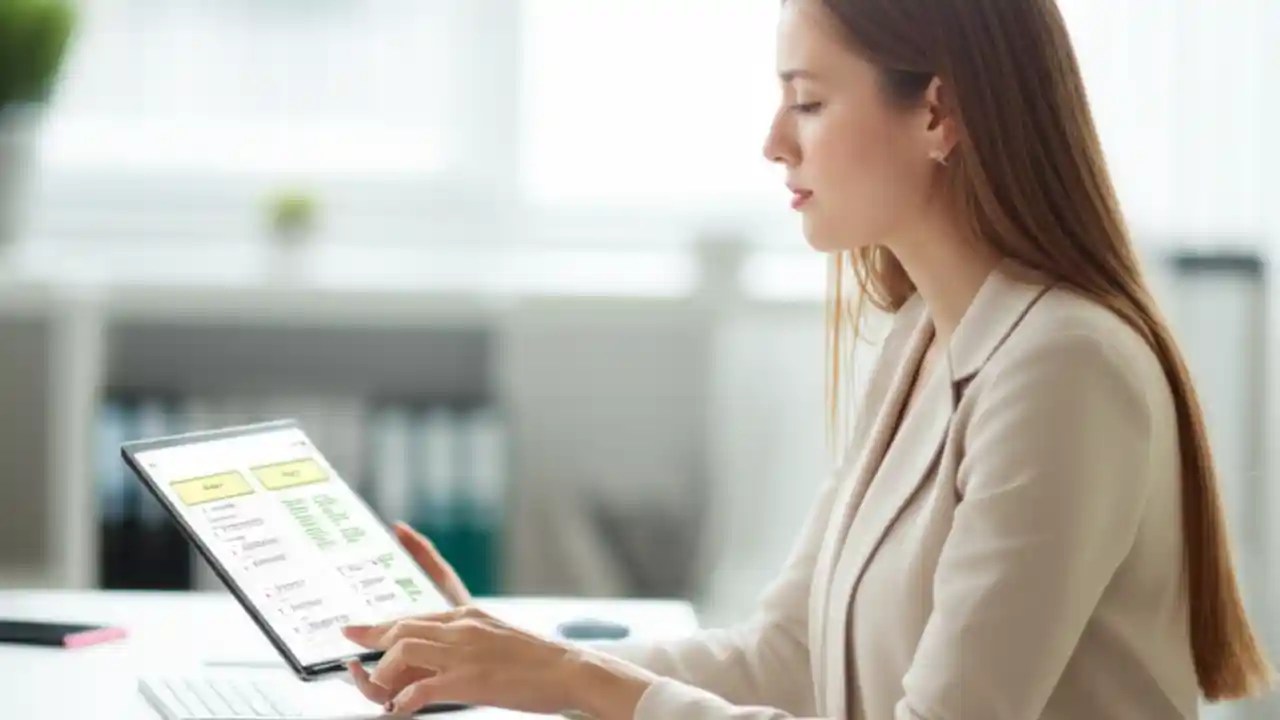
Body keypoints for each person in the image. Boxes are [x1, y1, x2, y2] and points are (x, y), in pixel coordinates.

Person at [339, 0, 1276, 717]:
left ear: (939, 113)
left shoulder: (1064, 368)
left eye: (809, 101)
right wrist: (507, 658)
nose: (774, 141)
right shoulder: (924, 336)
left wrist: (578, 679)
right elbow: (787, 657)